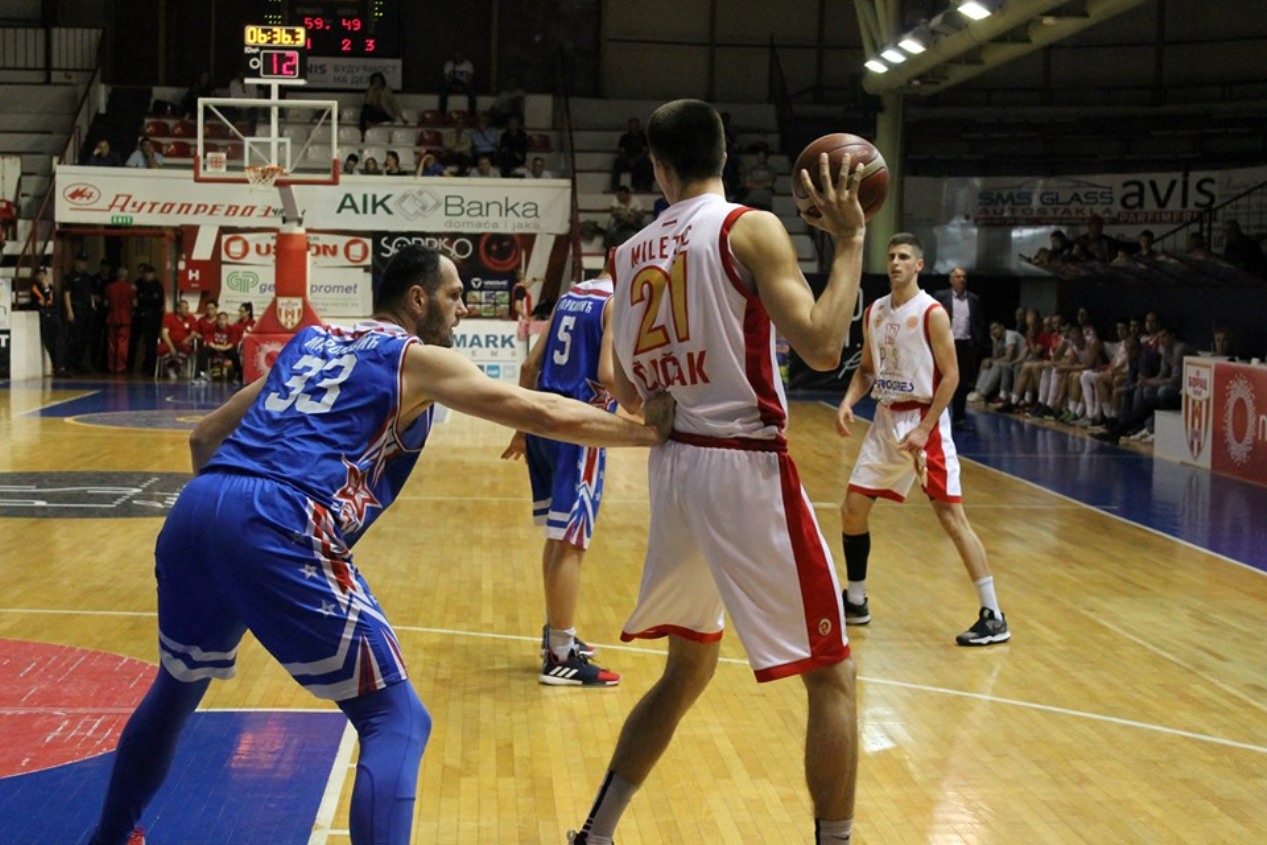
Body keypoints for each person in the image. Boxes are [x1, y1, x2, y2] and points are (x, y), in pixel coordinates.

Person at [85, 244, 673, 845]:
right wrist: (648, 432)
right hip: (282, 518)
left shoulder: (310, 341)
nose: (463, 308)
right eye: (453, 296)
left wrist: (227, 536)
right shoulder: (414, 359)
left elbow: (206, 435)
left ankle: (108, 837)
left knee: (177, 689)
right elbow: (542, 410)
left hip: (198, 509)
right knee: (398, 720)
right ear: (417, 300)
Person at [572, 98, 866, 845]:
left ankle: (596, 833)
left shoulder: (627, 252)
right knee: (831, 673)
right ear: (724, 155)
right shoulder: (747, 226)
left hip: (676, 471)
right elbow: (824, 346)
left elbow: (630, 389)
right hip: (744, 467)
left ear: (659, 168)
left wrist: (663, 404)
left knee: (687, 668)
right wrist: (852, 241)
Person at [836, 233, 1010, 650]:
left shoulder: (932, 312)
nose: (895, 262)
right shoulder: (875, 312)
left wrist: (925, 426)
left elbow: (951, 376)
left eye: (903, 257)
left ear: (919, 265)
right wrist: (847, 403)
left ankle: (993, 614)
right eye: (891, 256)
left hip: (923, 420)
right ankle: (856, 599)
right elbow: (865, 369)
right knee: (851, 510)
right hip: (885, 419)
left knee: (952, 519)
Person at [501, 271, 622, 687]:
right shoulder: (615, 302)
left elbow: (530, 365)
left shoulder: (572, 295)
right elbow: (608, 374)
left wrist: (520, 430)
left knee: (559, 536)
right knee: (572, 542)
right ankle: (561, 654)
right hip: (579, 426)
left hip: (541, 418)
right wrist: (642, 411)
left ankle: (557, 636)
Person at [932, 266, 987, 426]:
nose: (961, 279)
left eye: (964, 277)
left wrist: (977, 341)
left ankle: (959, 417)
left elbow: (978, 322)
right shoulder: (941, 296)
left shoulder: (974, 299)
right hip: (946, 343)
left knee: (962, 383)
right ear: (951, 279)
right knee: (940, 379)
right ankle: (937, 415)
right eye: (958, 276)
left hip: (965, 344)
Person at [128, 264, 165, 376]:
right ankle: (129, 366)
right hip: (138, 316)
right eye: (145, 273)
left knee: (150, 343)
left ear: (153, 274)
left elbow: (158, 304)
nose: (147, 275)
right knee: (133, 341)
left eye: (149, 273)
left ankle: (149, 367)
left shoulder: (157, 286)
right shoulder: (138, 283)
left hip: (151, 318)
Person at [63, 252, 97, 373]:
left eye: (85, 262)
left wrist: (93, 305)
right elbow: (67, 294)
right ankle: (69, 364)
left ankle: (79, 363)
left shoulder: (87, 277)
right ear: (76, 262)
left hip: (87, 310)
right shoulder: (70, 276)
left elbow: (90, 293)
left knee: (85, 339)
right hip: (77, 309)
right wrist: (69, 311)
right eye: (82, 261)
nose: (84, 264)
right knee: (74, 339)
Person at [30, 267, 65, 376]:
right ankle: (57, 366)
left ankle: (60, 367)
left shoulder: (51, 288)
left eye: (43, 274)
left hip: (54, 316)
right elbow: (44, 302)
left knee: (58, 343)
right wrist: (45, 291)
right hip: (45, 317)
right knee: (50, 343)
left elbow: (52, 302)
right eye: (39, 274)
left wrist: (47, 291)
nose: (41, 277)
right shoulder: (35, 289)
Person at [103, 266, 135, 375]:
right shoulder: (131, 288)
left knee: (111, 343)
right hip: (125, 319)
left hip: (112, 317)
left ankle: (111, 365)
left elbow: (106, 303)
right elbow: (134, 304)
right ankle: (121, 366)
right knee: (123, 343)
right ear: (126, 276)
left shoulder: (109, 288)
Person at [608, 117, 651, 192]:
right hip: (626, 159)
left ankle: (645, 186)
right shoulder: (624, 138)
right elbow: (622, 151)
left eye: (635, 125)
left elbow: (645, 151)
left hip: (639, 159)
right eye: (631, 126)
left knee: (647, 163)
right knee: (618, 162)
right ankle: (614, 186)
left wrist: (635, 159)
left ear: (638, 126)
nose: (633, 128)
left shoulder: (643, 137)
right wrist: (628, 159)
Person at [359, 72, 404, 137]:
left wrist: (401, 118)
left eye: (378, 80)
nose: (377, 82)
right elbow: (367, 104)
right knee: (364, 112)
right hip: (374, 113)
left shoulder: (387, 90)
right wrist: (371, 91)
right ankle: (363, 133)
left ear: (382, 81)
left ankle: (370, 124)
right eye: (375, 80)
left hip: (384, 113)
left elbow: (394, 104)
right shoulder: (370, 90)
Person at [602, 185, 644, 250]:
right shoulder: (616, 199)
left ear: (628, 195)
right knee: (611, 222)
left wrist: (634, 217)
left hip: (634, 220)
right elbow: (613, 212)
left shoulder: (635, 200)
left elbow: (641, 213)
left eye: (622, 195)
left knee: (646, 222)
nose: (620, 197)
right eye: (619, 196)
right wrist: (622, 216)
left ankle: (644, 243)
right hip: (620, 220)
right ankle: (607, 245)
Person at [440, 48, 476, 116]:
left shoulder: (468, 64)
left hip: (464, 85)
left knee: (472, 93)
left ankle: (472, 115)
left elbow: (470, 79)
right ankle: (442, 114)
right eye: (456, 55)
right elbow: (446, 79)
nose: (458, 57)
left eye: (459, 55)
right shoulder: (448, 64)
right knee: (443, 92)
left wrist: (463, 87)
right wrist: (454, 87)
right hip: (452, 85)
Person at [742, 144, 778, 211]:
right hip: (752, 200)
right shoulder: (751, 169)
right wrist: (762, 183)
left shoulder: (771, 170)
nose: (760, 158)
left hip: (765, 201)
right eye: (759, 156)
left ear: (766, 157)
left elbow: (769, 183)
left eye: (762, 156)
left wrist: (755, 183)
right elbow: (747, 184)